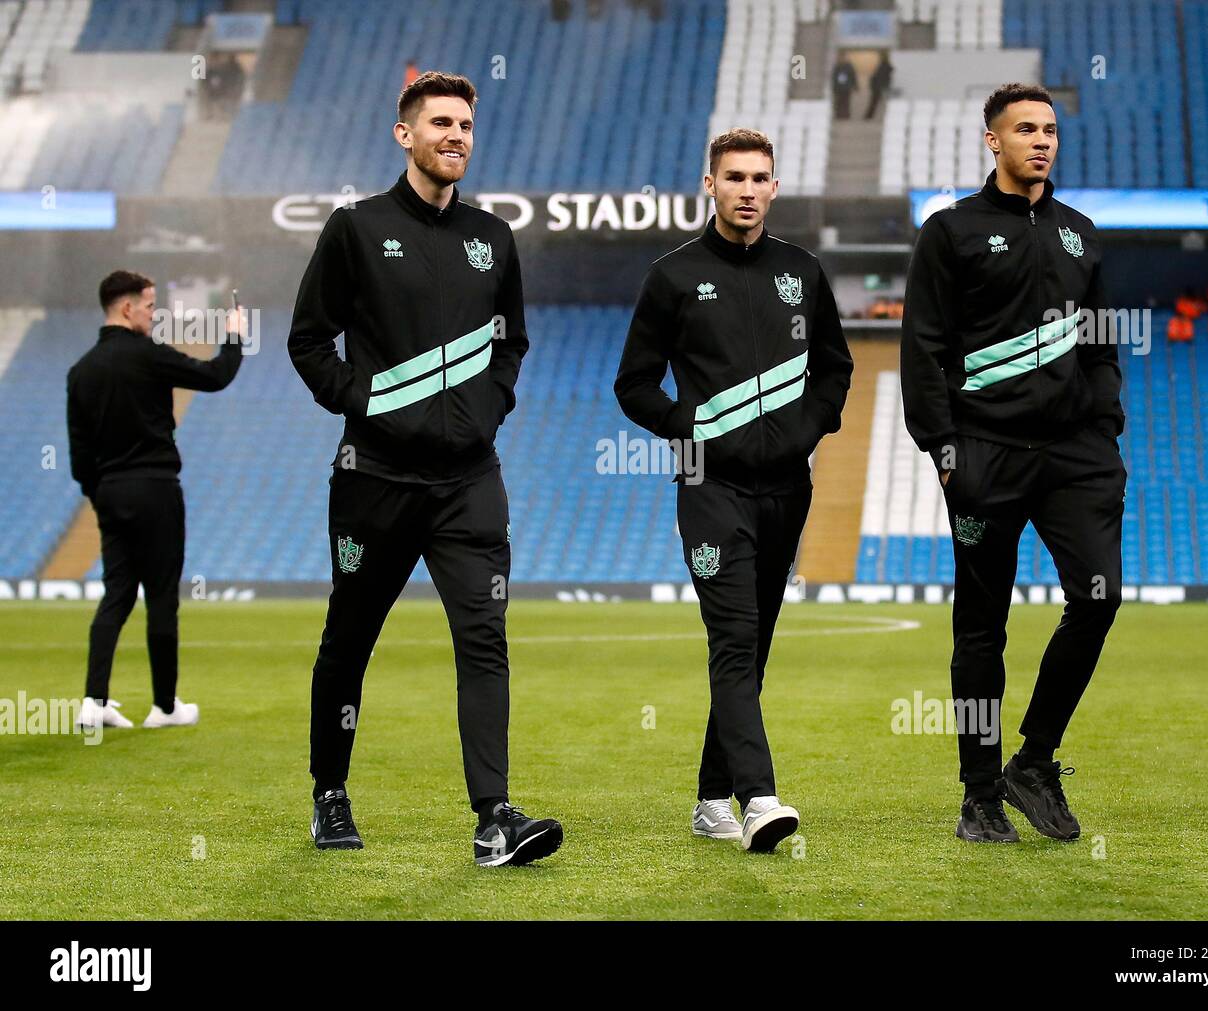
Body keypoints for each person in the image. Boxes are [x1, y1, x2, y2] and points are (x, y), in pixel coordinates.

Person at [288, 70, 562, 865]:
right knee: (350, 636)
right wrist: (365, 403)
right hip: (374, 477)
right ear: (404, 133)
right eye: (441, 122)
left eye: (467, 125)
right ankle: (329, 794)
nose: (457, 136)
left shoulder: (494, 238)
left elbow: (511, 342)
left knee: (485, 638)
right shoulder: (355, 228)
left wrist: (489, 409)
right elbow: (309, 340)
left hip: (470, 481)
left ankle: (494, 817)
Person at [615, 128, 853, 852]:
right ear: (709, 185)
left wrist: (804, 432)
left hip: (787, 487)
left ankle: (710, 795)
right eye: (735, 177)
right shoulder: (674, 275)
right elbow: (633, 384)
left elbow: (836, 370)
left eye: (760, 178)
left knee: (757, 641)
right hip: (709, 484)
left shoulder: (803, 272)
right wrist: (692, 428)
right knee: (735, 638)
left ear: (775, 188)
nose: (748, 189)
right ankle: (759, 797)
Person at [900, 83, 1126, 843]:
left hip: (1075, 457)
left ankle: (1033, 759)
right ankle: (978, 794)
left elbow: (1098, 348)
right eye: (1025, 129)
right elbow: (923, 348)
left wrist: (1106, 434)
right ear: (992, 141)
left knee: (1098, 597)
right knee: (980, 631)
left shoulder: (1083, 235)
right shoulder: (951, 230)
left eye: (1050, 130)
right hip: (984, 457)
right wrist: (943, 449)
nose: (1042, 140)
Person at [67, 271, 245, 730]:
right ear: (126, 308)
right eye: (149, 305)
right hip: (156, 488)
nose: (153, 313)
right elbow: (215, 376)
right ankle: (164, 707)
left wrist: (99, 493)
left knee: (117, 594)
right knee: (162, 596)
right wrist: (234, 337)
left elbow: (80, 454)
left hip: (109, 493)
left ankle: (94, 701)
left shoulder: (81, 370)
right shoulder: (147, 356)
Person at [865, 52, 892, 120]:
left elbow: (879, 78)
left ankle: (869, 116)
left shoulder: (884, 67)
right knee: (875, 102)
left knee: (875, 102)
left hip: (879, 87)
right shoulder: (882, 67)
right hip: (879, 87)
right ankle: (869, 116)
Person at [831, 55, 858, 120]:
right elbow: (834, 78)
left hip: (846, 88)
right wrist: (834, 87)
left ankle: (845, 115)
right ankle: (839, 115)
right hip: (839, 88)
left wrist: (855, 86)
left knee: (846, 102)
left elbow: (853, 77)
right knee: (839, 102)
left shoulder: (849, 67)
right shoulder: (837, 67)